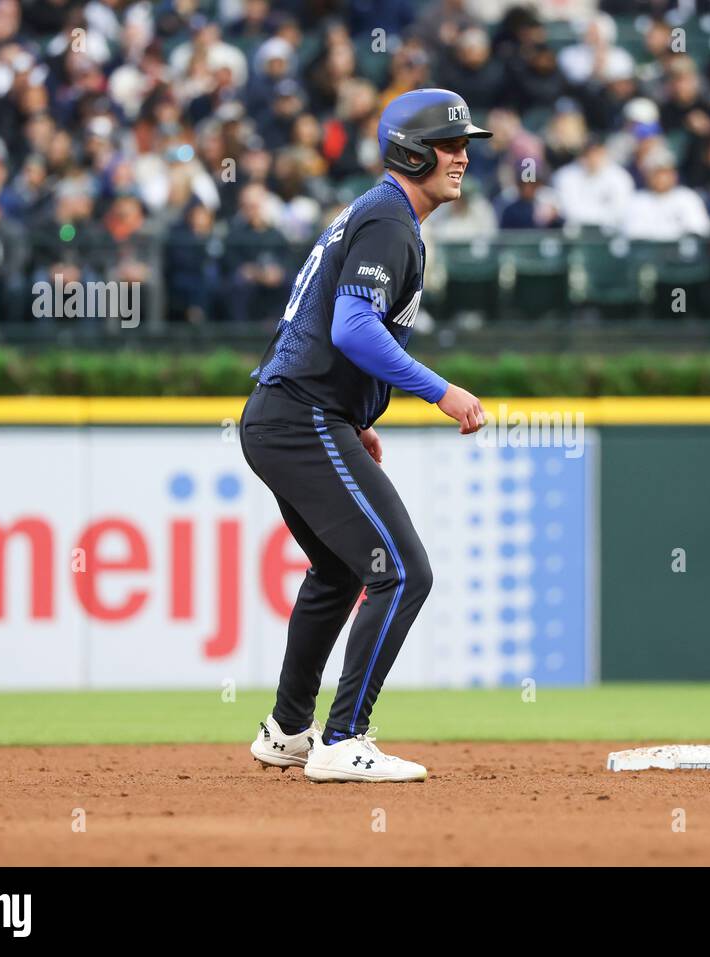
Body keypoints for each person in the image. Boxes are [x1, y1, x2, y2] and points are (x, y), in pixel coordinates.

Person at [243, 89, 489, 783]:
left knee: (342, 569)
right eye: (450, 143)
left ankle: (289, 730)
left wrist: (353, 417)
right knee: (404, 571)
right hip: (299, 415)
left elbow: (327, 327)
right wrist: (440, 391)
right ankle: (343, 737)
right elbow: (352, 327)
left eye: (465, 143)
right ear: (411, 150)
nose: (463, 155)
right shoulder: (389, 216)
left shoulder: (381, 213)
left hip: (286, 414)